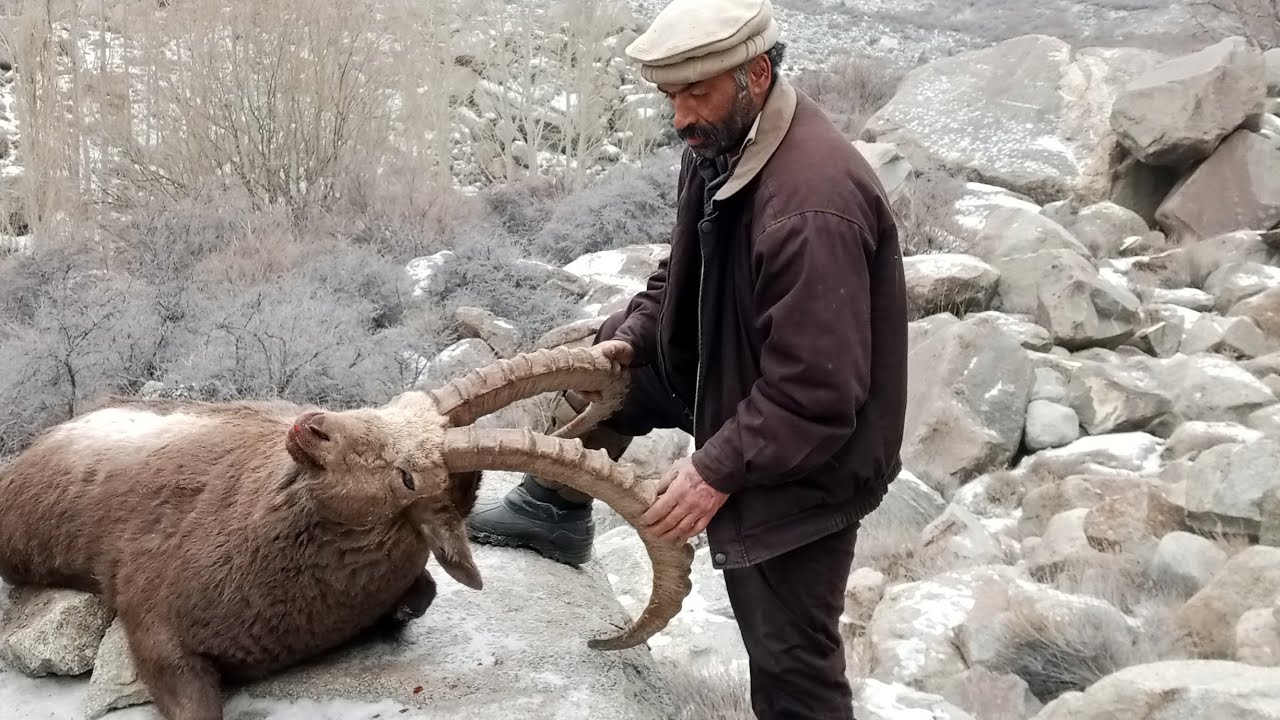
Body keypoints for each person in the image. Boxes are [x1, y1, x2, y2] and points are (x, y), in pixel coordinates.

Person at [466, 0, 908, 716]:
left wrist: (712, 471)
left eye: (695, 92)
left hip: (811, 461)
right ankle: (557, 509)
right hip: (737, 379)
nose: (680, 116)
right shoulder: (722, 142)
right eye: (671, 95)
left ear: (756, 73)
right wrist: (636, 335)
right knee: (600, 371)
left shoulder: (810, 207)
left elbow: (816, 396)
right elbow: (685, 272)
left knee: (791, 660)